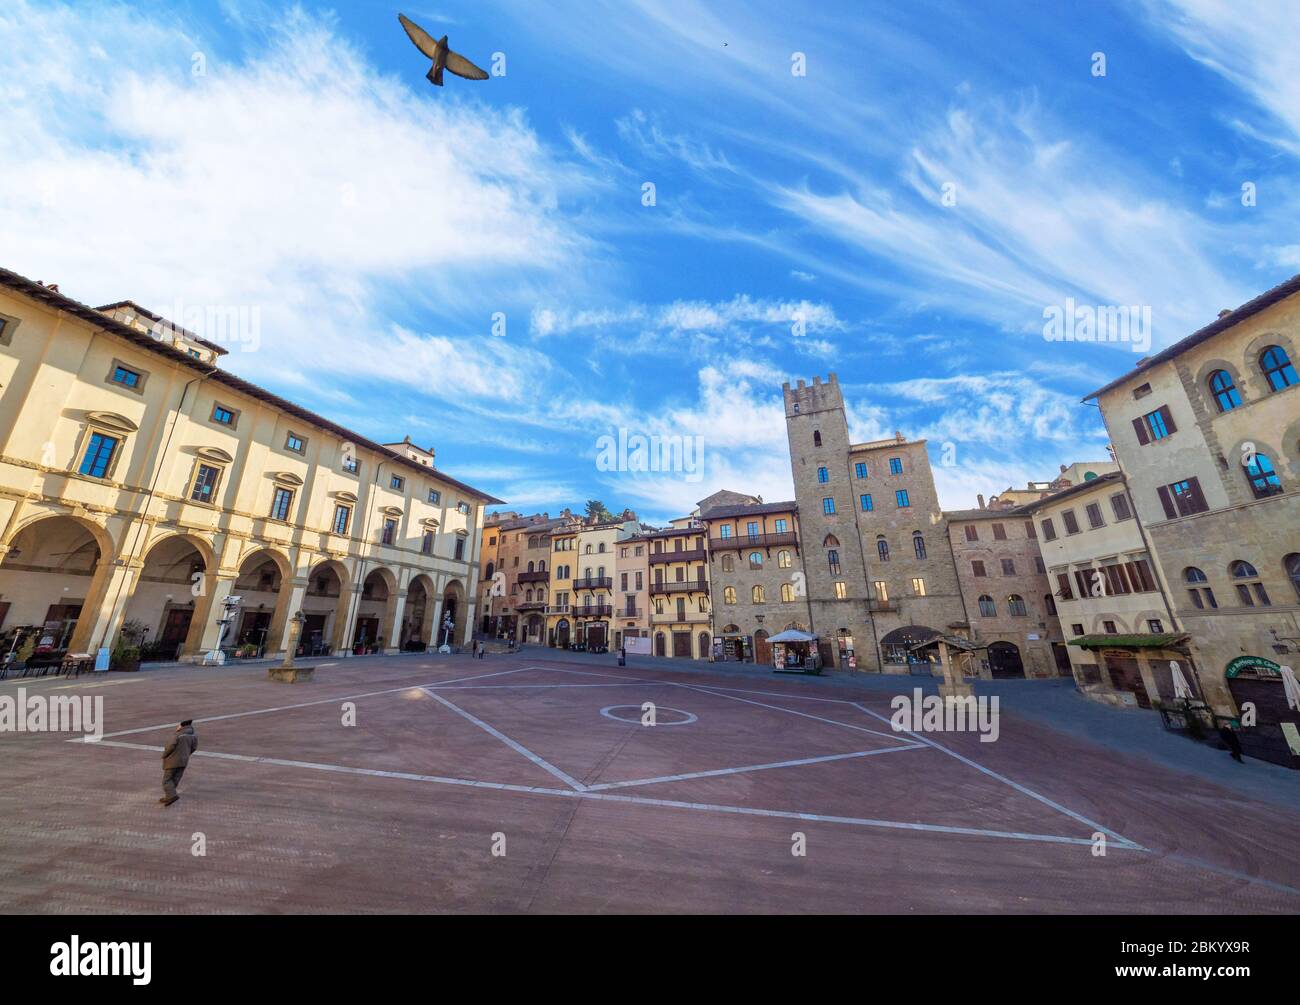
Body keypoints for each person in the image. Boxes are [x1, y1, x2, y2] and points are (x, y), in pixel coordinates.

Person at [161, 720, 198, 806]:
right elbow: (194, 747)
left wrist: (164, 755)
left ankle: (172, 796)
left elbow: (170, 747)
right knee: (175, 778)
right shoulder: (193, 735)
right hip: (184, 761)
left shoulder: (178, 735)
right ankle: (168, 796)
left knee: (166, 780)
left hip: (172, 760)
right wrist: (186, 754)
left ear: (181, 726)